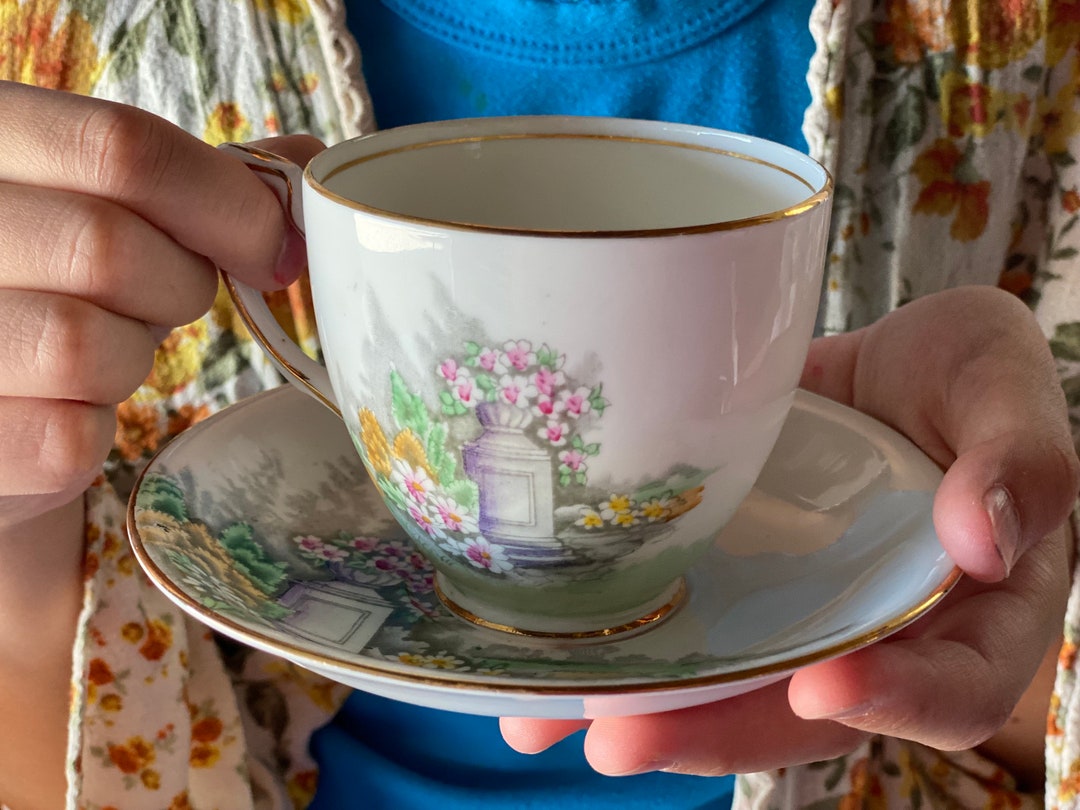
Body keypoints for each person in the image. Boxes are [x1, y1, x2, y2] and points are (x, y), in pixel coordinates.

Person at [1, 0, 1079, 808]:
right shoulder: (66, 43)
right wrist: (18, 536)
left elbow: (1027, 727)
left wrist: (991, 568)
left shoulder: (1026, 43)